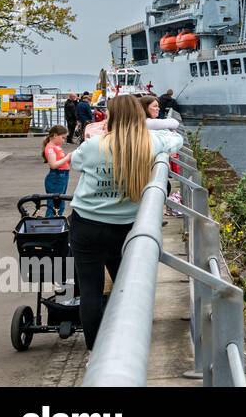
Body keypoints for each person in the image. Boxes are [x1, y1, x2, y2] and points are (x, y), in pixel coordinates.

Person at [68, 94, 183, 349]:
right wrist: (154, 129)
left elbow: (75, 162)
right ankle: (126, 344)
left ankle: (94, 351)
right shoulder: (151, 144)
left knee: (90, 291)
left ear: (111, 117)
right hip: (128, 227)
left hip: (87, 224)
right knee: (127, 289)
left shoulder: (93, 146)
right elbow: (177, 139)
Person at [41, 126, 71, 217]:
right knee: (54, 205)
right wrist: (67, 157)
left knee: (60, 204)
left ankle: (56, 224)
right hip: (57, 177)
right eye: (63, 137)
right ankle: (49, 225)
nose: (64, 140)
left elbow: (61, 162)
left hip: (62, 176)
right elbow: (53, 165)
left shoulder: (56, 147)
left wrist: (69, 159)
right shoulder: (50, 148)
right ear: (54, 135)